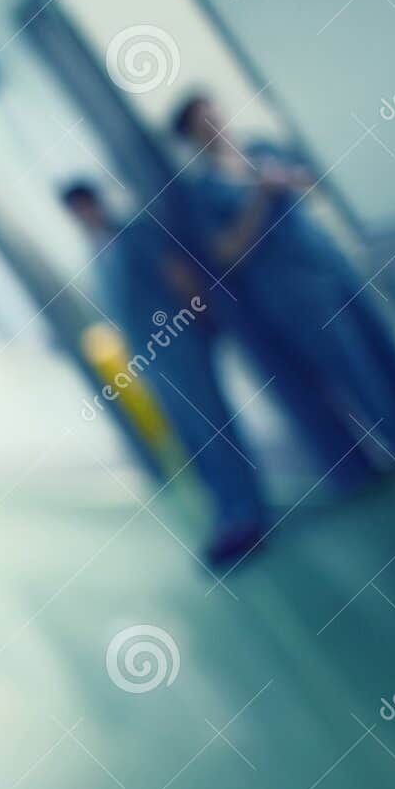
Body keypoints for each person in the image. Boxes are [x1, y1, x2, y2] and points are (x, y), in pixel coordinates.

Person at [171, 92, 395, 476]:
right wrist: (260, 198)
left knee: (384, 343)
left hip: (328, 261)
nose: (217, 128)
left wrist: (289, 179)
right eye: (204, 125)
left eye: (216, 116)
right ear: (192, 138)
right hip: (291, 292)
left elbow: (319, 182)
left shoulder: (263, 148)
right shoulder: (202, 192)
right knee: (352, 365)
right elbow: (227, 254)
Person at [61, 181, 268, 567]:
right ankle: (228, 514)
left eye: (86, 206)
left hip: (180, 345)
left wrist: (201, 322)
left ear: (96, 202)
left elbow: (179, 274)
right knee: (192, 437)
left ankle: (249, 515)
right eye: (76, 212)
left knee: (212, 428)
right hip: (151, 360)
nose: (84, 215)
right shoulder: (97, 253)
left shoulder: (134, 234)